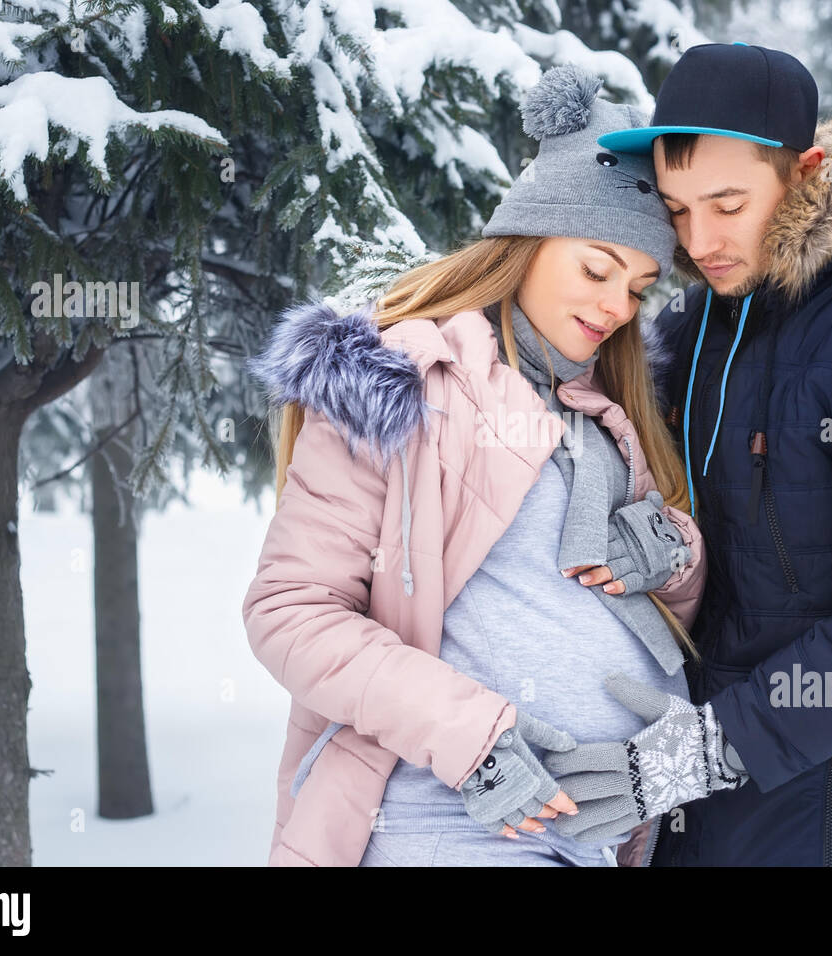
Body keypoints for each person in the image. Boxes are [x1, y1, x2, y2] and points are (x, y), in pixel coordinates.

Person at [241, 65, 736, 867]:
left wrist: (675, 556)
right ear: (531, 241)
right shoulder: (402, 379)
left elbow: (625, 606)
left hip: (603, 833)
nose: (615, 306)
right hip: (455, 823)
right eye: (596, 267)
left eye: (639, 288)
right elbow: (290, 611)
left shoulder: (604, 409)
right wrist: (474, 740)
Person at [542, 41, 832, 866]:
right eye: (679, 209)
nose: (702, 238)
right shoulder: (688, 334)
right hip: (673, 826)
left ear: (805, 171)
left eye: (728, 203)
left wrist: (713, 749)